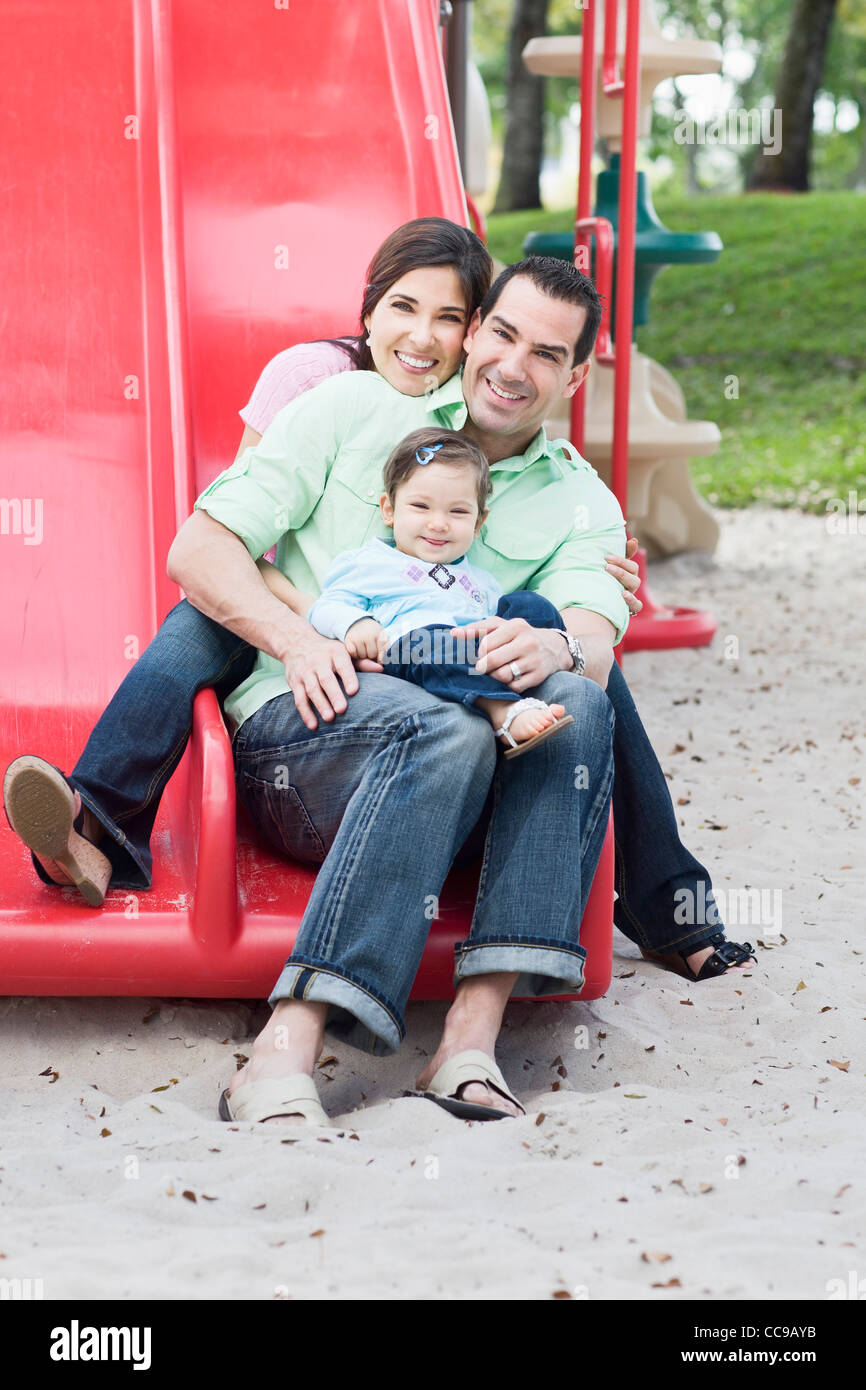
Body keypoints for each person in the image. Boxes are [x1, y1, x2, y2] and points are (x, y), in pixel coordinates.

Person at [158, 254, 753, 1128]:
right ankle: (286, 1044)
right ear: (473, 331)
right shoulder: (351, 412)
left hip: (470, 787)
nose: (514, 366)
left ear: (576, 374)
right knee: (446, 727)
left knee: (576, 700)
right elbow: (196, 551)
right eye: (503, 334)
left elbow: (593, 639)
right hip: (307, 750)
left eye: (547, 354)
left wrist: (553, 640)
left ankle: (468, 1043)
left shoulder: (583, 503)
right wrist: (301, 638)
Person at [295, 426, 576, 755]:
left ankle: (539, 691)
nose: (438, 524)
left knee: (529, 605)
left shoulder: (482, 580)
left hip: (473, 654)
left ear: (478, 522)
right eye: (420, 507)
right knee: (429, 640)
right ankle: (500, 711)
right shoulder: (369, 563)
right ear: (389, 509)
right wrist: (356, 624)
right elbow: (326, 606)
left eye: (457, 511)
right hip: (408, 653)